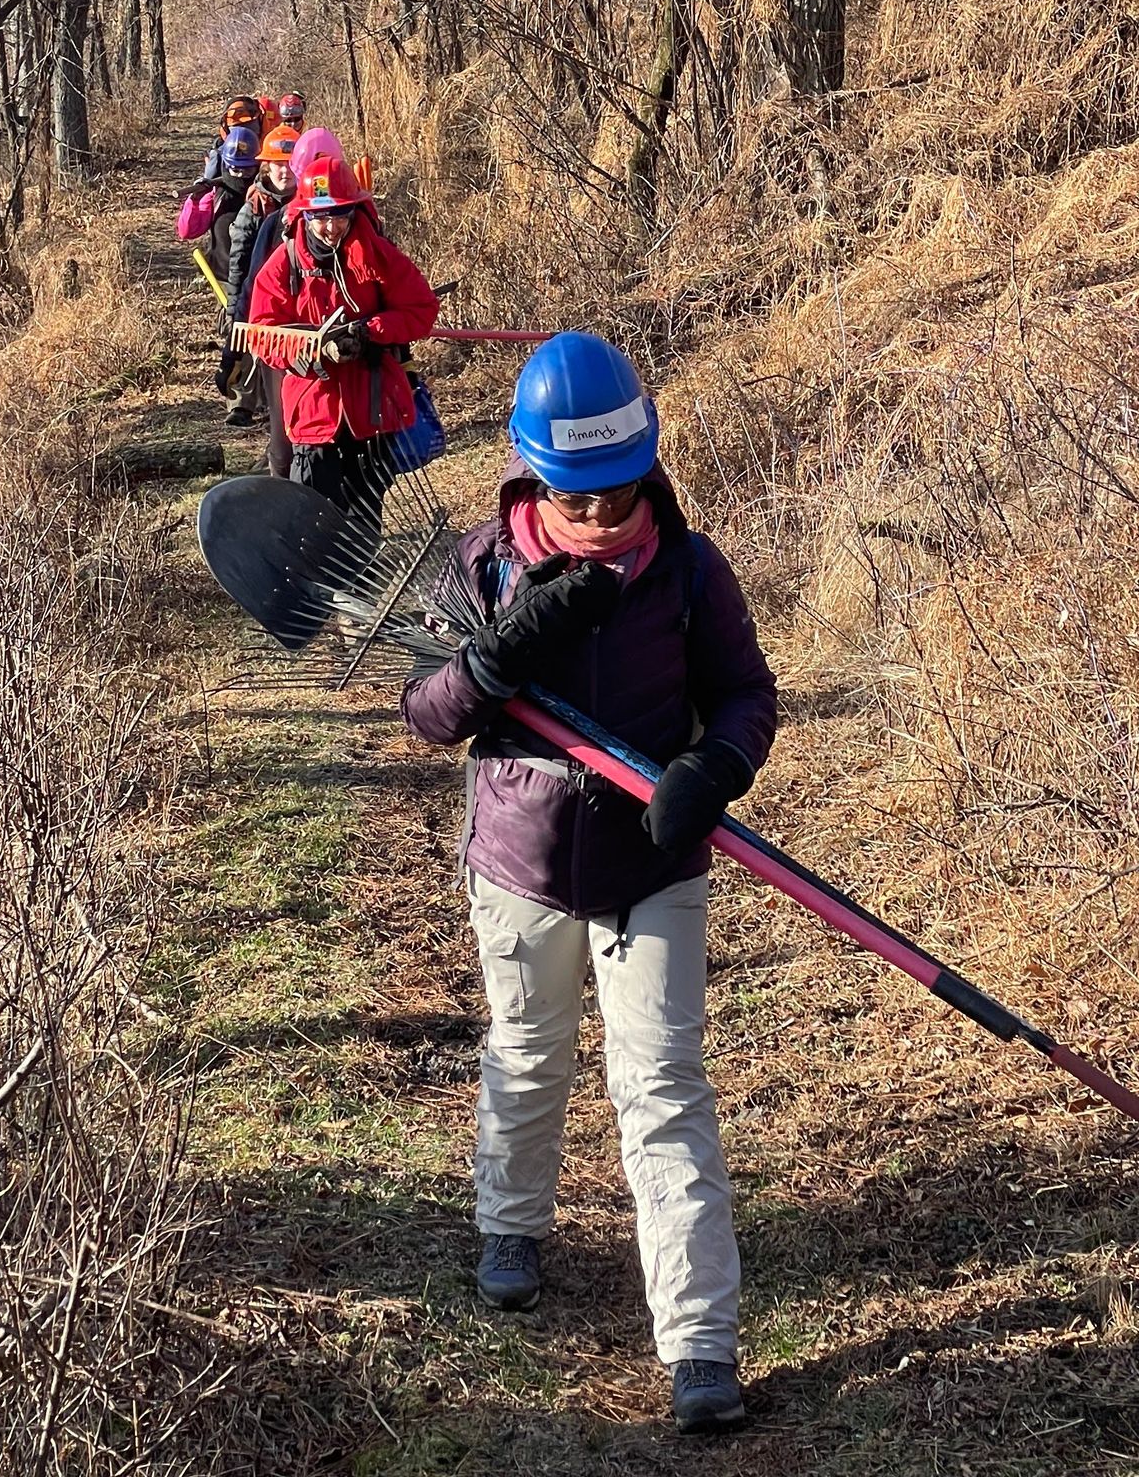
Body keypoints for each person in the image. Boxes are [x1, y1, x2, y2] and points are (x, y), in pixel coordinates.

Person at [399, 333, 777, 1436]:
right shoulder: (481, 567)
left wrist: (714, 768)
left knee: (662, 1090)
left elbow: (750, 696)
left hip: (652, 868)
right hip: (520, 863)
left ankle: (701, 1341)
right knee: (528, 1052)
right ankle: (511, 1222)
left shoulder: (693, 573)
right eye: (581, 502)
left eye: (622, 499)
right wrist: (487, 663)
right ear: (533, 479)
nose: (606, 522)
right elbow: (423, 713)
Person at [247, 150, 437, 521]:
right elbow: (260, 334)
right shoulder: (284, 263)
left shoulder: (378, 255)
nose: (331, 227)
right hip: (313, 415)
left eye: (339, 215)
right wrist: (309, 350)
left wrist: (370, 332)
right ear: (305, 213)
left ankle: (363, 578)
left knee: (366, 517)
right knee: (316, 521)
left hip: (372, 411)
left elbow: (422, 310)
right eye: (320, 217)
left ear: (354, 210)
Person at [219, 126, 298, 441]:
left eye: (291, 163)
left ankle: (282, 406)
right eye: (278, 164)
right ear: (266, 166)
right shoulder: (253, 206)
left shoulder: (311, 203)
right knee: (249, 347)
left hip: (295, 290)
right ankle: (241, 405)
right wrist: (234, 305)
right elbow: (238, 261)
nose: (284, 170)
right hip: (256, 291)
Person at [206, 124, 261, 281]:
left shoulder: (263, 196)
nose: (241, 174)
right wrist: (196, 202)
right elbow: (187, 230)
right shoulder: (217, 195)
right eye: (235, 169)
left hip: (255, 275)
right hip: (221, 275)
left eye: (248, 169)